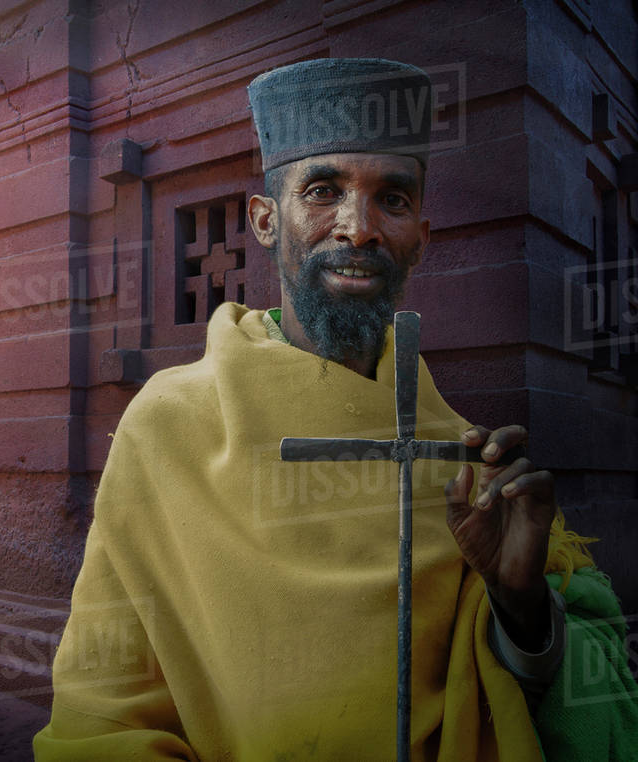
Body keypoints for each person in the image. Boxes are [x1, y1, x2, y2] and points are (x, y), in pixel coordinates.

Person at [33, 58, 637, 760]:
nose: (358, 228)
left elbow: (584, 690)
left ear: (421, 236)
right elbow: (103, 710)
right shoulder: (169, 429)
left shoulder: (464, 460)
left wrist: (523, 604)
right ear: (264, 219)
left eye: (393, 199)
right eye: (323, 190)